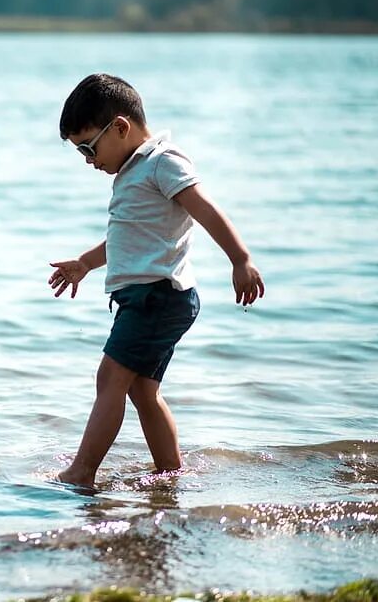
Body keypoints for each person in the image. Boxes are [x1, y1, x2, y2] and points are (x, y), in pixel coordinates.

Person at [49, 73, 265, 489]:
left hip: (157, 296)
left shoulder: (162, 162)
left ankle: (82, 472)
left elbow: (205, 209)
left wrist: (240, 260)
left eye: (88, 148)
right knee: (142, 390)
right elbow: (126, 236)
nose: (88, 161)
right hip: (149, 298)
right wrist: (85, 263)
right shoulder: (135, 170)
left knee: (110, 378)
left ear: (120, 128)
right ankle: (169, 472)